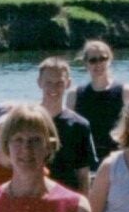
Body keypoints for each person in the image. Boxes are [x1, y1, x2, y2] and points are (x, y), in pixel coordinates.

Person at [35, 56, 100, 192]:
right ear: (39, 82)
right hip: (33, 197)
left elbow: (83, 175)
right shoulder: (27, 121)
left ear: (68, 84)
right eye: (48, 82)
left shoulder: (79, 125)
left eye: (59, 83)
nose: (54, 87)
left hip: (67, 200)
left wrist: (83, 207)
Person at [74, 40, 129, 164]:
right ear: (85, 64)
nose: (98, 64)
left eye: (103, 58)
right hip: (86, 159)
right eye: (93, 60)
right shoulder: (75, 95)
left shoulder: (126, 92)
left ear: (110, 60)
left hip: (119, 158)